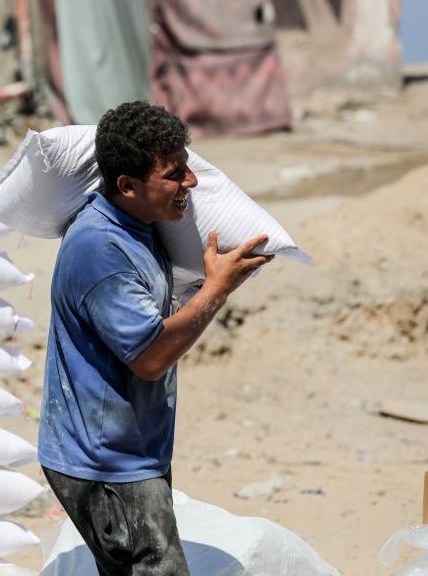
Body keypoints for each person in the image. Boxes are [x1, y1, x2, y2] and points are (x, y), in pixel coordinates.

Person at [37, 101, 274, 576]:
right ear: (127, 186)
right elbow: (149, 358)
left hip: (129, 449)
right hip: (104, 464)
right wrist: (216, 290)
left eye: (187, 166)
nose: (191, 181)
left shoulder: (140, 224)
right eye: (174, 174)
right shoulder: (101, 250)